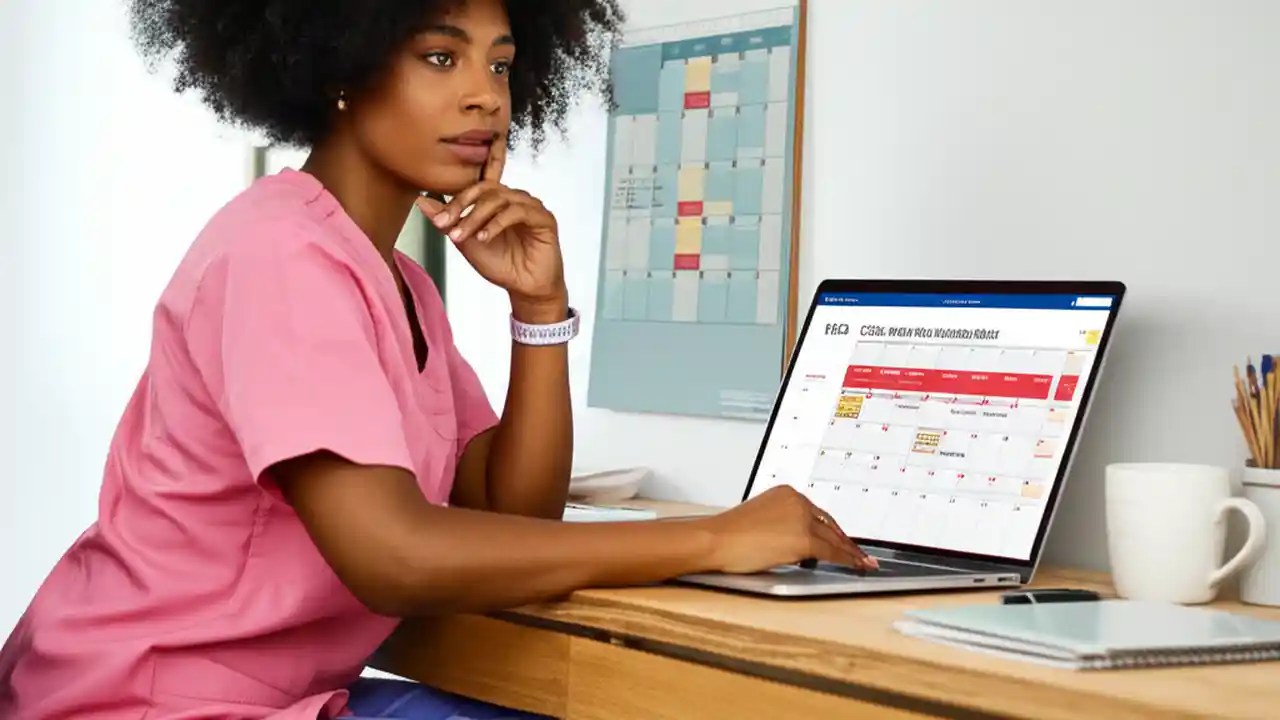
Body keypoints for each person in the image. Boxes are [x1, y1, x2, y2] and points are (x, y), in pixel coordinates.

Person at [0, 0, 874, 718]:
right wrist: (718, 536)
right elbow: (396, 555)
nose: (487, 100)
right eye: (439, 58)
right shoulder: (276, 253)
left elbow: (512, 510)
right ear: (341, 67)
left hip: (277, 697)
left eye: (499, 65)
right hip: (136, 700)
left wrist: (537, 312)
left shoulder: (398, 282)